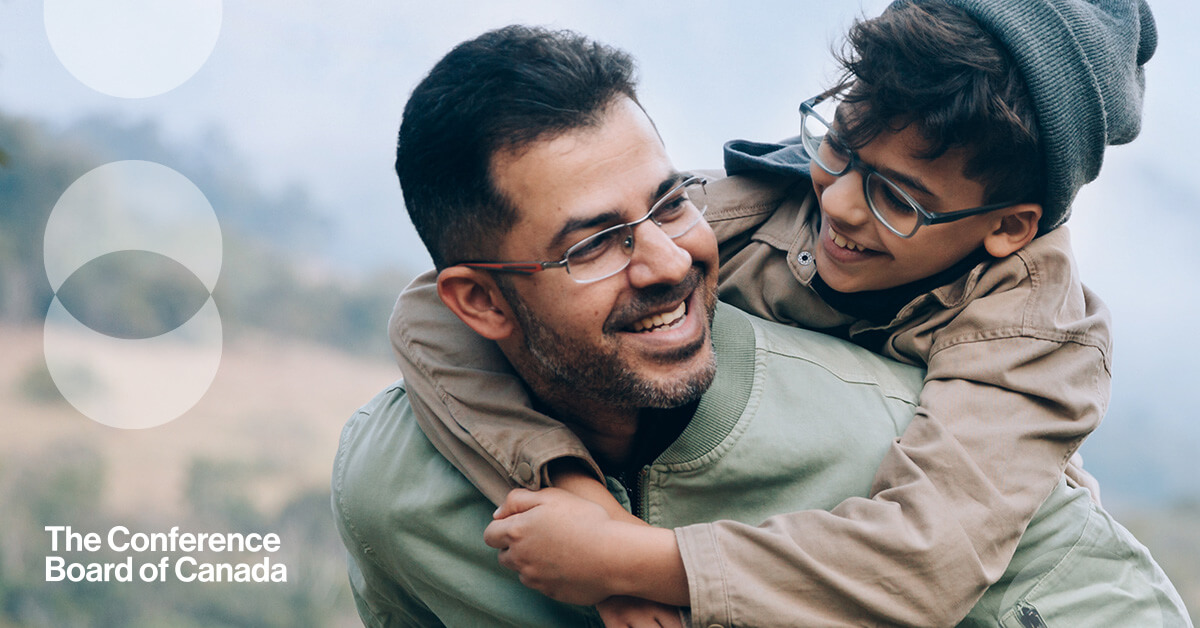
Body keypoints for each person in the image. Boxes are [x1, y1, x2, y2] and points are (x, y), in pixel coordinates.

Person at [333, 22, 1189, 628]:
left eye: (898, 199)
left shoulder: (1035, 341)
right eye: (840, 148)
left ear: (1006, 226)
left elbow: (924, 560)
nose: (843, 205)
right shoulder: (763, 205)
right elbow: (431, 312)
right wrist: (572, 490)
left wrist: (631, 562)